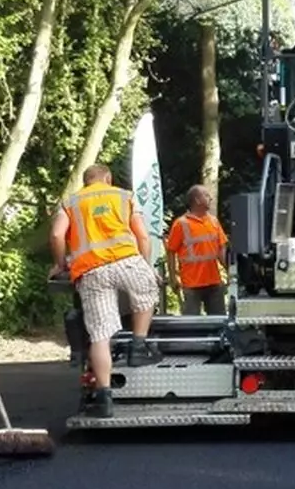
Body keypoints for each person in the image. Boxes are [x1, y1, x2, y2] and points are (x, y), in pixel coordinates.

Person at [49, 163, 160, 418]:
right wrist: (146, 265)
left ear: (86, 181)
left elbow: (56, 235)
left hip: (91, 271)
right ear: (107, 178)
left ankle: (103, 397)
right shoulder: (124, 196)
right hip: (126, 261)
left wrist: (60, 264)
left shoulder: (71, 202)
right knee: (146, 292)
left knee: (100, 334)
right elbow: (143, 237)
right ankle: (138, 346)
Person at [164, 185, 228, 315]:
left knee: (219, 322)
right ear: (197, 200)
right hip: (191, 284)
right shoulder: (181, 224)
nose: (210, 198)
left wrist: (230, 271)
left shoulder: (213, 221)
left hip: (214, 282)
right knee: (191, 324)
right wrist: (173, 278)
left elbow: (222, 250)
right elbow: (171, 251)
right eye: (206, 195)